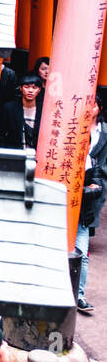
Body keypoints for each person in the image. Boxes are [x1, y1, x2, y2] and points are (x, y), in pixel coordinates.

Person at [75, 88, 106, 312]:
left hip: (83, 210)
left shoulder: (92, 163)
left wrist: (84, 190)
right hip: (67, 207)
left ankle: (79, 294)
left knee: (82, 253)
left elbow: (96, 185)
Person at [0, 73, 42, 150]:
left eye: (34, 88)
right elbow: (0, 134)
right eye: (26, 87)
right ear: (21, 88)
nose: (30, 91)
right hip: (14, 152)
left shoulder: (43, 110)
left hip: (37, 153)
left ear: (39, 90)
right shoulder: (9, 108)